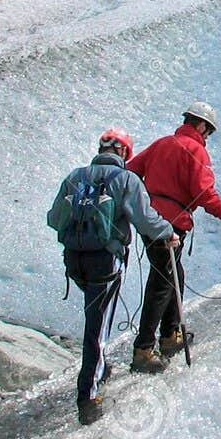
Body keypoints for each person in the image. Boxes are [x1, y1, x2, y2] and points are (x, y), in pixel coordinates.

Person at [46, 130, 177, 424]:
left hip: (74, 259)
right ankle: (88, 398)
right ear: (125, 154)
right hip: (106, 261)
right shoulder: (126, 179)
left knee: (95, 321)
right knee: (98, 329)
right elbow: (144, 217)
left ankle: (100, 371)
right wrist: (168, 233)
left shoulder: (75, 176)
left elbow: (54, 218)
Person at [125, 103, 221, 372]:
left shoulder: (162, 143)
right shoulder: (195, 149)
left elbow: (130, 171)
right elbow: (203, 193)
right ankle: (144, 349)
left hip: (149, 220)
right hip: (173, 224)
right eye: (208, 131)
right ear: (201, 126)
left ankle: (170, 335)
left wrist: (145, 200)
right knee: (163, 283)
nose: (207, 137)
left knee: (172, 274)